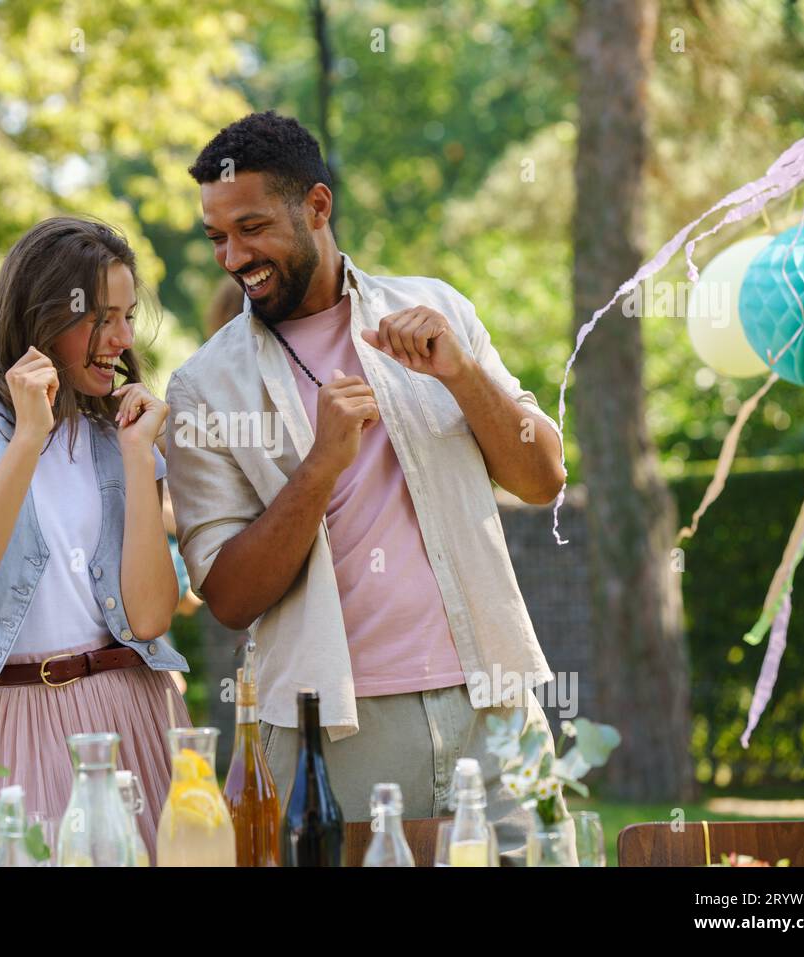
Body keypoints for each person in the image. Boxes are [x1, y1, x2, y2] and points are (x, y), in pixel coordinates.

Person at [165, 111, 569, 860]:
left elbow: (542, 476)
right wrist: (320, 465)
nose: (233, 257)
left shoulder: (437, 310)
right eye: (217, 237)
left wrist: (463, 374)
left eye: (251, 228)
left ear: (317, 207)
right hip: (337, 729)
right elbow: (226, 594)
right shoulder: (203, 388)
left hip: (495, 705)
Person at [0, 217, 190, 866]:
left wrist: (141, 458)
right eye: (102, 318)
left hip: (136, 710)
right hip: (17, 720)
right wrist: (28, 437)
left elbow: (149, 616)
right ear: (44, 314)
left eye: (129, 317)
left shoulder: (123, 429)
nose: (121, 339)